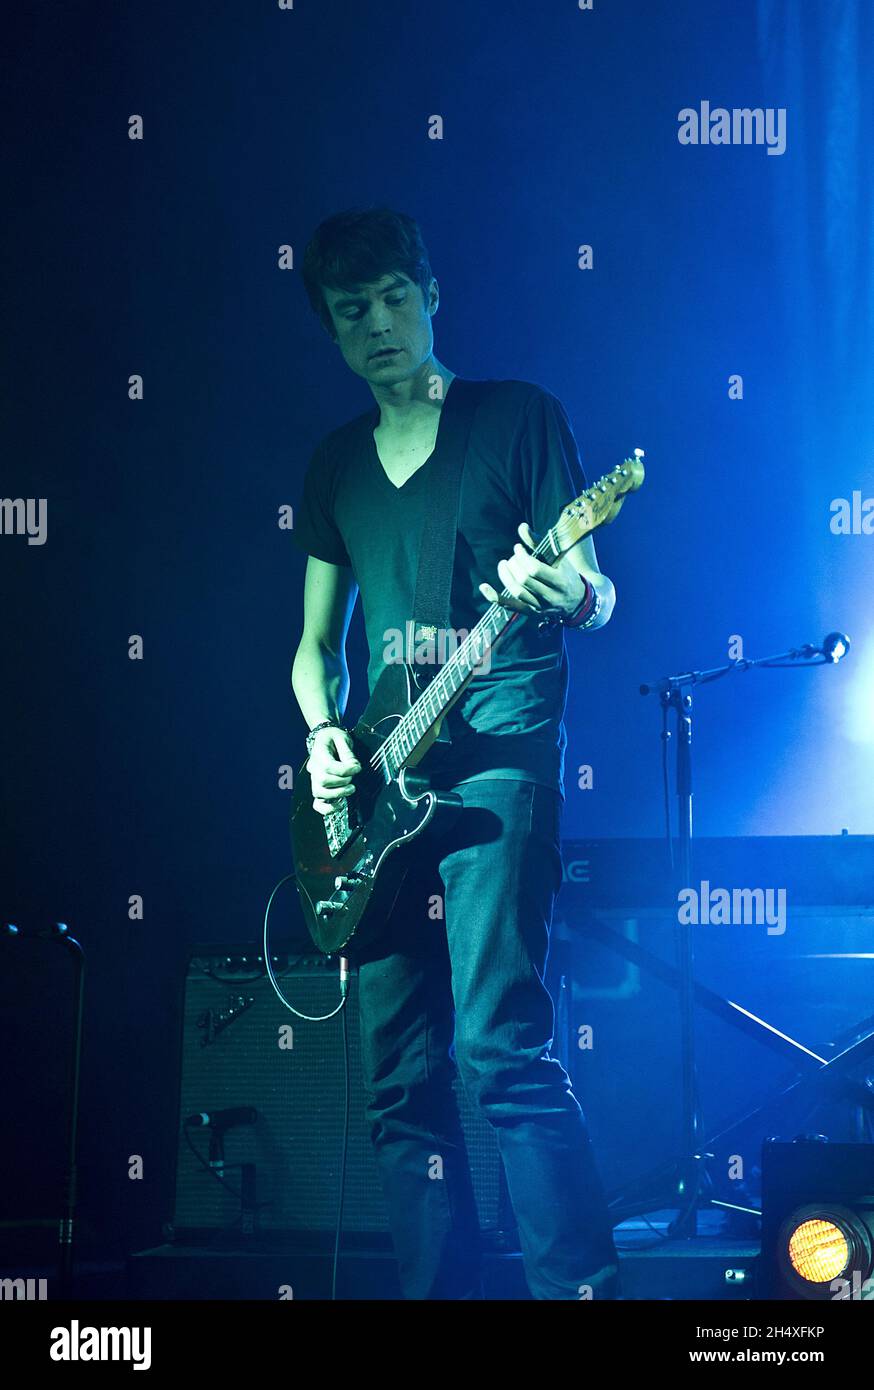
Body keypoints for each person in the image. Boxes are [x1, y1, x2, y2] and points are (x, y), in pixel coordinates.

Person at [291, 207, 620, 1299]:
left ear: (431, 295)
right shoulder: (334, 463)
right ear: (332, 332)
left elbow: (597, 588)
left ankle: (580, 1288)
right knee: (398, 1080)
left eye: (393, 298)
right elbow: (310, 649)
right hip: (382, 794)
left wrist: (562, 586)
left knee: (499, 1052)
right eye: (351, 312)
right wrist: (325, 735)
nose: (378, 324)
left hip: (495, 758)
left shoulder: (518, 417)